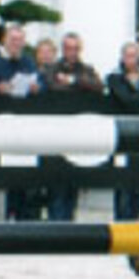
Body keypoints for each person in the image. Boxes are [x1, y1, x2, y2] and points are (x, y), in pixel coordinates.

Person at [39, 33, 100, 220]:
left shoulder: (86, 69)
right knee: (55, 186)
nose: (72, 52)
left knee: (73, 185)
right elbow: (51, 85)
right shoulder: (52, 68)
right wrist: (78, 88)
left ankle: (69, 223)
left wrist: (73, 82)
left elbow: (97, 86)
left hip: (78, 136)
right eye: (68, 48)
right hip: (55, 134)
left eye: (75, 48)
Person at [105, 41, 139, 221]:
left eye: (135, 56)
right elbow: (126, 99)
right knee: (123, 184)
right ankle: (122, 220)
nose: (132, 60)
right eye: (128, 56)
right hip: (123, 136)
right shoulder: (114, 77)